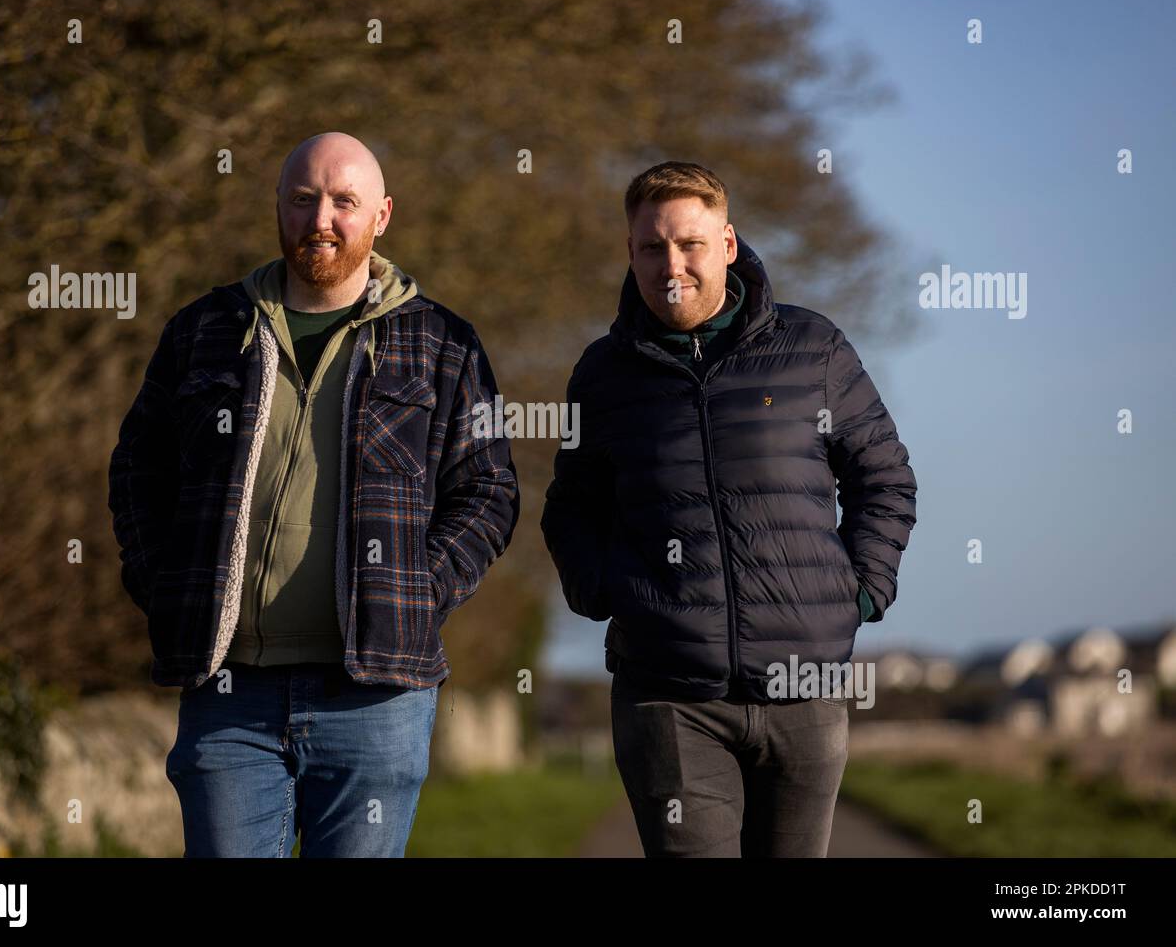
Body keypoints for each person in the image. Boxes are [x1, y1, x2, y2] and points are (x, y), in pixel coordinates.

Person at [108, 132, 519, 857]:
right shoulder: (205, 330)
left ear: (382, 214)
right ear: (279, 205)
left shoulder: (444, 342)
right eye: (303, 199)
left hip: (378, 695)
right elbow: (139, 470)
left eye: (343, 202)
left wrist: (420, 592)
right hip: (230, 689)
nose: (320, 219)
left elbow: (487, 491)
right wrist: (166, 584)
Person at [540, 161, 917, 857]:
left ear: (729, 243)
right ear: (631, 254)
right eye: (652, 247)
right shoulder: (602, 374)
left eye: (690, 243)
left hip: (805, 685)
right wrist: (605, 594)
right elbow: (570, 506)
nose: (671, 264)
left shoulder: (814, 348)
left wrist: (858, 594)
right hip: (667, 695)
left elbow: (885, 479)